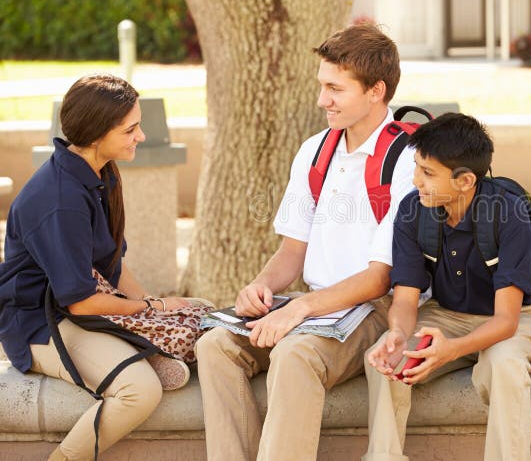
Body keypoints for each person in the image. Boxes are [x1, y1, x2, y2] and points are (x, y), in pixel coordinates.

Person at [195, 24, 416, 461]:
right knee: (215, 345)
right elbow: (291, 252)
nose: (322, 100)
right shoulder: (315, 151)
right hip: (316, 306)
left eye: (335, 89)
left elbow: (380, 276)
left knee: (295, 354)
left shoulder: (408, 160)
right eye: (321, 86)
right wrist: (260, 289)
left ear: (376, 91)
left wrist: (297, 310)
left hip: (373, 309)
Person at [0, 74, 195, 461]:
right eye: (131, 129)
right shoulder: (60, 199)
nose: (140, 137)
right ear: (94, 133)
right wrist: (152, 311)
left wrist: (159, 304)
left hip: (79, 309)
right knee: (140, 390)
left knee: (197, 309)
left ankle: (146, 346)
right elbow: (82, 303)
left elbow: (114, 266)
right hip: (39, 323)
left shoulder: (98, 172)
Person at [363, 113, 531, 461]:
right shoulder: (412, 209)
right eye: (417, 168)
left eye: (428, 173)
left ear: (465, 180)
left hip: (516, 316)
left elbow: (506, 321)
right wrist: (396, 333)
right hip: (448, 314)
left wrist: (450, 349)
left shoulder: (508, 214)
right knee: (387, 357)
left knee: (504, 364)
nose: (417, 180)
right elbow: (406, 299)